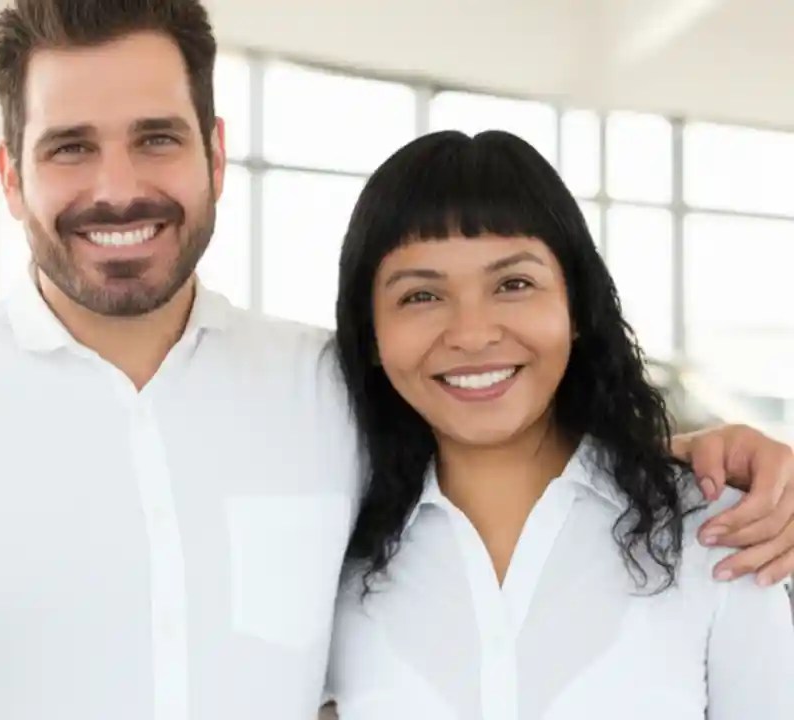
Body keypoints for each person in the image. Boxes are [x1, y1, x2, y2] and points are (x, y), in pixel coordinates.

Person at [0, 1, 794, 718]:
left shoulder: (331, 387)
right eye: (70, 147)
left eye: (155, 139)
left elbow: (504, 413)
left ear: (215, 153)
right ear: (12, 172)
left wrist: (701, 459)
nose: (117, 187)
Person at [325, 130, 794, 719]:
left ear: (577, 309)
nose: (472, 333)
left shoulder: (714, 535)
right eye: (421, 296)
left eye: (513, 284)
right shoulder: (328, 558)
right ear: (369, 336)